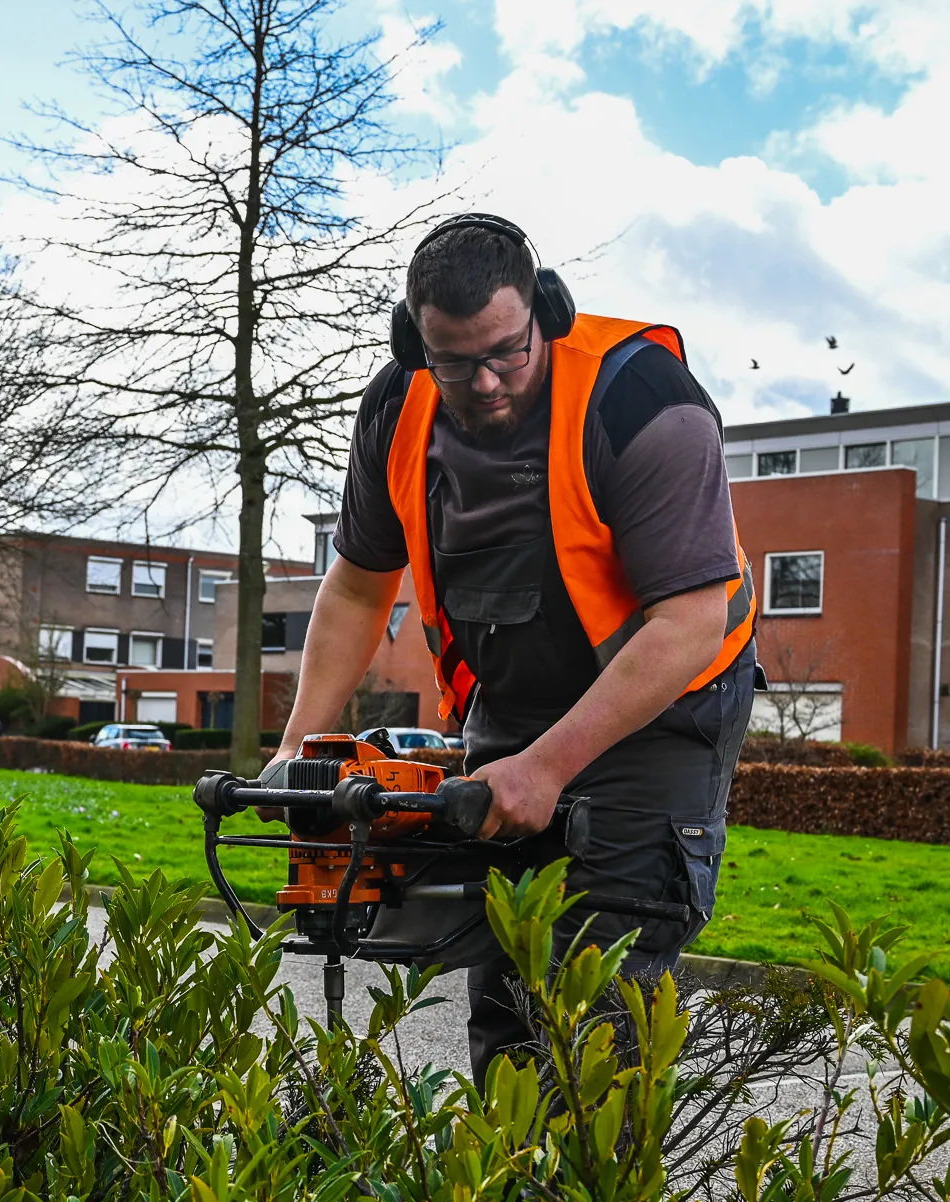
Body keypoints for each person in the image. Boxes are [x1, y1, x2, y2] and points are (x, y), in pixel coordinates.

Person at [266, 213, 758, 1084]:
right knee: (508, 972)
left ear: (547, 313)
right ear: (415, 342)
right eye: (455, 361)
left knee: (596, 975)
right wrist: (297, 747)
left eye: (507, 352)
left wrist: (549, 765)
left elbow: (690, 622)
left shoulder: (644, 403)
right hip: (513, 704)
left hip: (660, 709)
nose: (485, 381)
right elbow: (354, 586)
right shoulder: (398, 406)